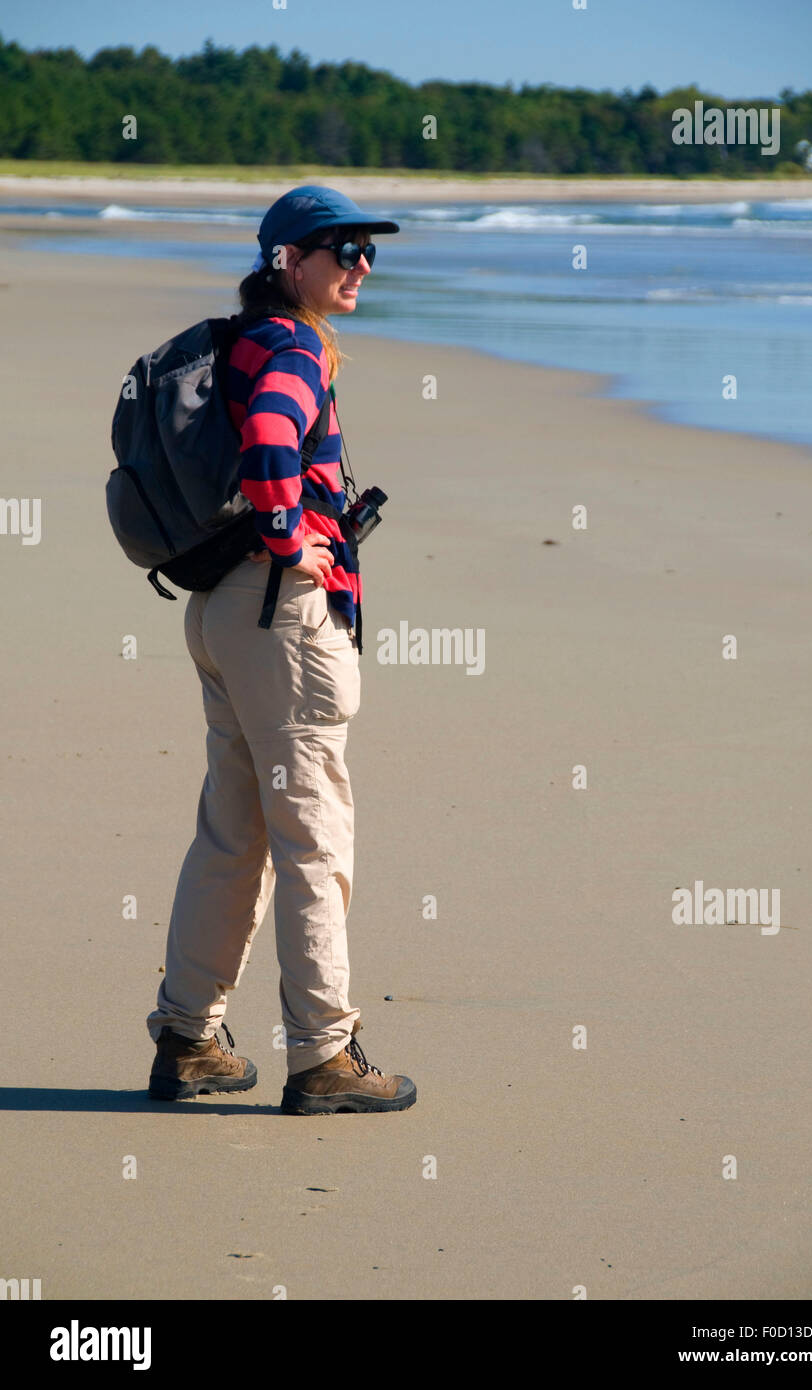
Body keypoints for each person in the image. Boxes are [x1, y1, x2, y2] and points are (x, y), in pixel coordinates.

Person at [146, 185, 417, 1116]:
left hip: (222, 611)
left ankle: (188, 1039)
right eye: (341, 249)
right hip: (280, 617)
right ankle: (325, 1059)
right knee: (314, 839)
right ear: (286, 261)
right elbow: (270, 434)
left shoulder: (240, 337)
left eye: (365, 250)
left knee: (234, 834)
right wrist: (287, 531)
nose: (360, 265)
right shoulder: (294, 345)